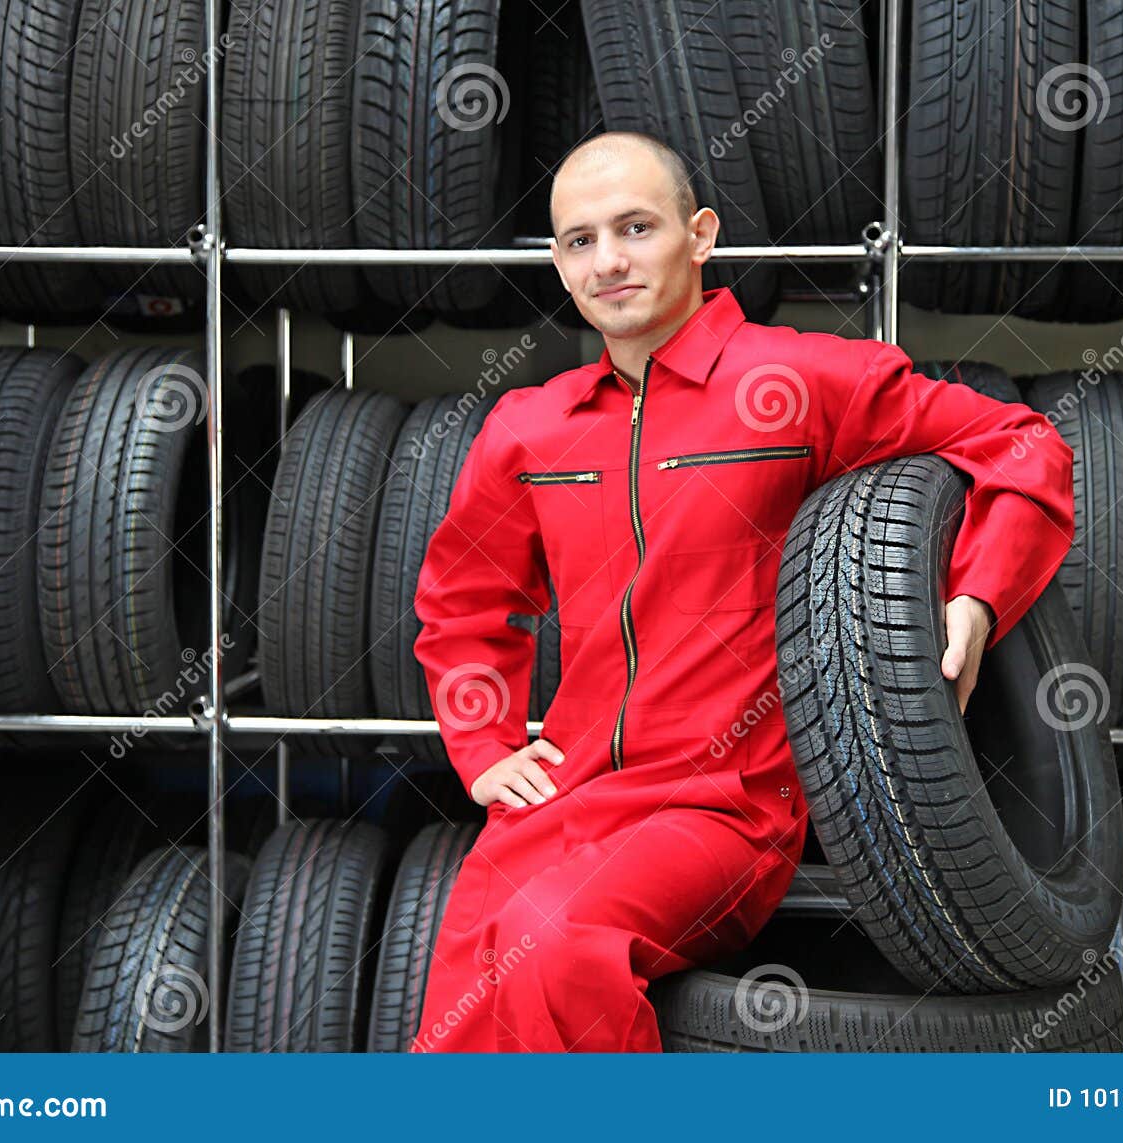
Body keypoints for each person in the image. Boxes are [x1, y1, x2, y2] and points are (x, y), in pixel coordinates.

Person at [406, 130, 1075, 1052]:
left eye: (635, 227)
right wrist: (483, 744)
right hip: (564, 796)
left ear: (700, 234)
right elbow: (462, 601)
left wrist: (977, 595)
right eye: (579, 240)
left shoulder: (797, 379)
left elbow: (1021, 445)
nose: (608, 261)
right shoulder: (530, 426)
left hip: (727, 802)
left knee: (558, 951)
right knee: (465, 996)